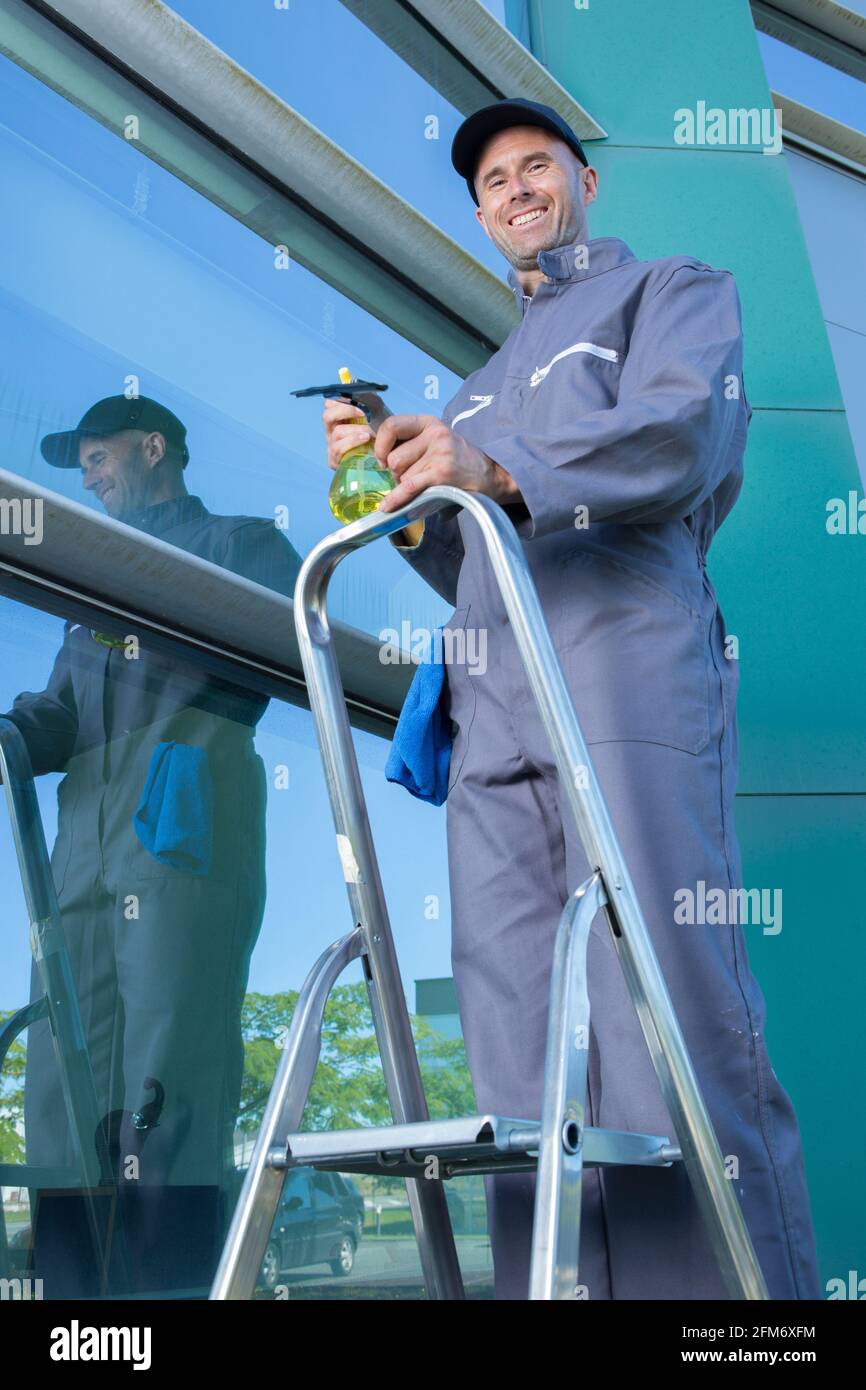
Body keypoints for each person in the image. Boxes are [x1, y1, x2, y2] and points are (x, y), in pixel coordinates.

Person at [323, 99, 821, 1300]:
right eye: (490, 179)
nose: (512, 188)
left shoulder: (670, 291)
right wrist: (396, 504)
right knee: (516, 1052)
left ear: (582, 180)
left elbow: (684, 434)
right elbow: (471, 554)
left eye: (532, 164)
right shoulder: (476, 387)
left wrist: (494, 470)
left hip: (620, 675)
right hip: (495, 711)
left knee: (662, 1016)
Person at [3, 394, 302, 1295]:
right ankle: (76, 1318)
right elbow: (60, 713)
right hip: (79, 864)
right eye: (82, 467)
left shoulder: (242, 547)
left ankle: (165, 1299)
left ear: (153, 447)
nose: (88, 478)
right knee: (61, 1084)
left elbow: (291, 652)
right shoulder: (84, 594)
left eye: (98, 459)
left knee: (168, 1079)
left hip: (176, 844)